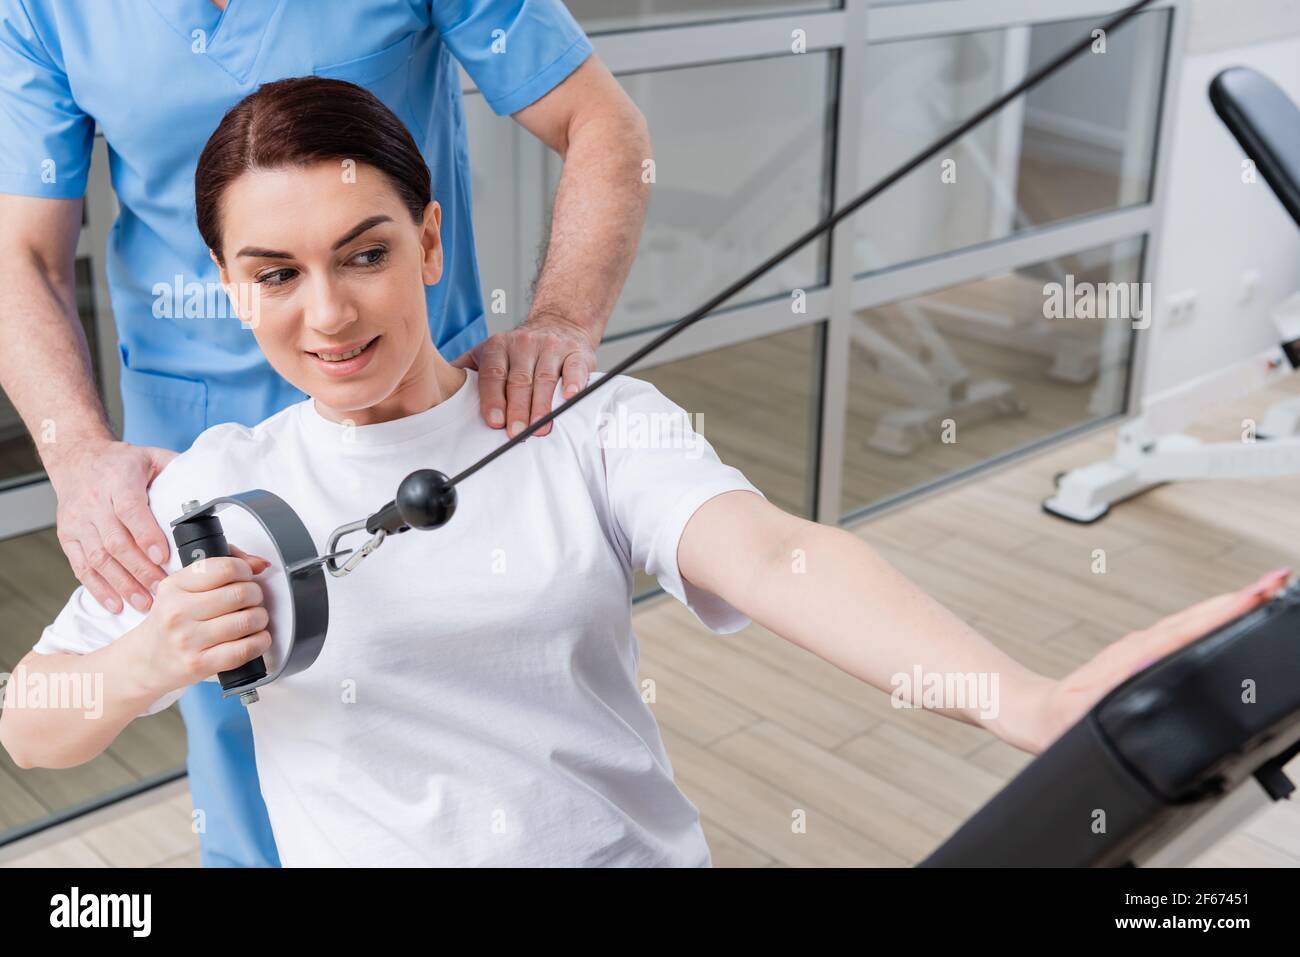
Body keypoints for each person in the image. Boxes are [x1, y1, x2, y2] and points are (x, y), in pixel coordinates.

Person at [1, 76, 1288, 866]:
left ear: (432, 241)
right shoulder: (211, 495)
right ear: (228, 287)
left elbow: (779, 552)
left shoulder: (576, 418)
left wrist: (1028, 703)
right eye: (275, 275)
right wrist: (144, 662)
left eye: (365, 252)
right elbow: (32, 722)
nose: (327, 313)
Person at [0, 0, 649, 866]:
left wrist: (562, 323)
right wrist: (75, 451)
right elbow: (22, 252)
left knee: (469, 718)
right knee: (240, 736)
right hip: (195, 432)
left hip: (416, 428)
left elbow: (600, 119)